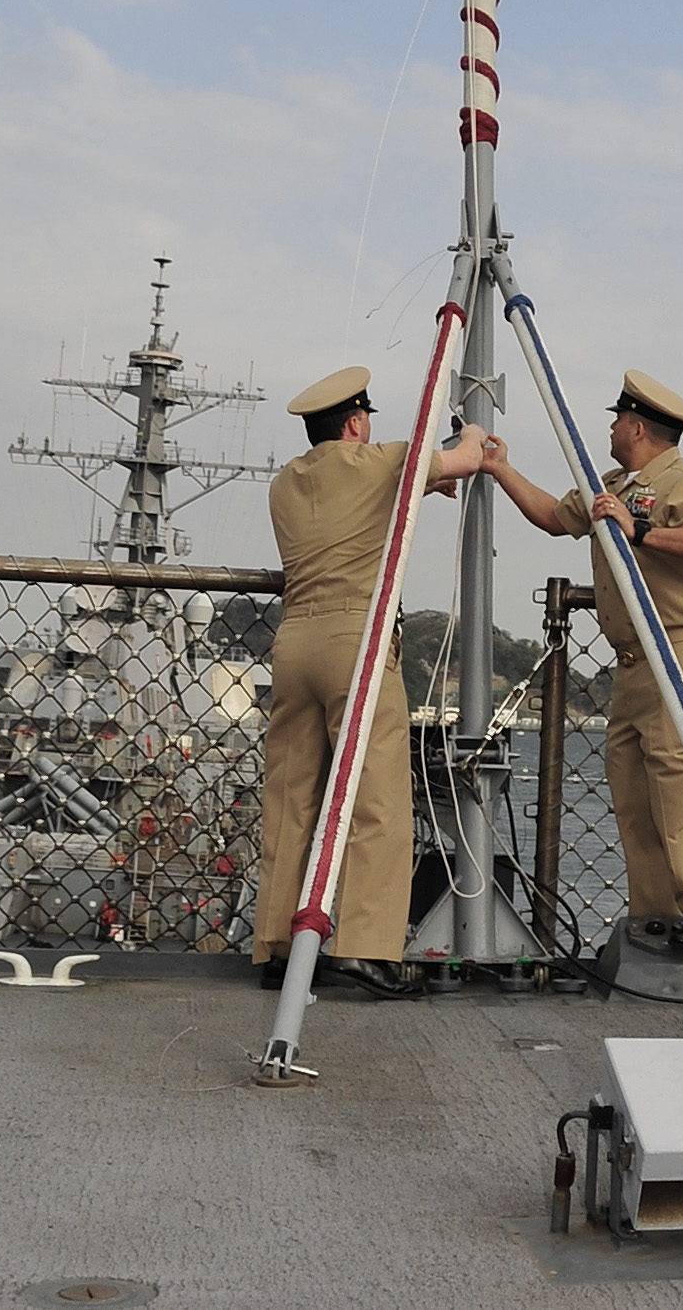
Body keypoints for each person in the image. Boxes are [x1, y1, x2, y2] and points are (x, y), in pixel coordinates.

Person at [483, 370, 683, 950]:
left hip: (680, 648)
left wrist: (640, 530)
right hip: (633, 661)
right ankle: (657, 911)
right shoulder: (613, 485)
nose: (611, 427)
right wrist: (500, 469)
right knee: (632, 786)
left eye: (618, 419)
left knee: (681, 782)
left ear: (639, 427)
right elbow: (555, 517)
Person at [254, 365, 484, 993]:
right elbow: (464, 458)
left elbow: (353, 511)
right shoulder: (383, 460)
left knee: (292, 796)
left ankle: (277, 943)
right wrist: (479, 427)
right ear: (356, 423)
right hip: (357, 640)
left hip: (294, 640)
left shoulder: (285, 483)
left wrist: (412, 485)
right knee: (376, 798)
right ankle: (363, 945)